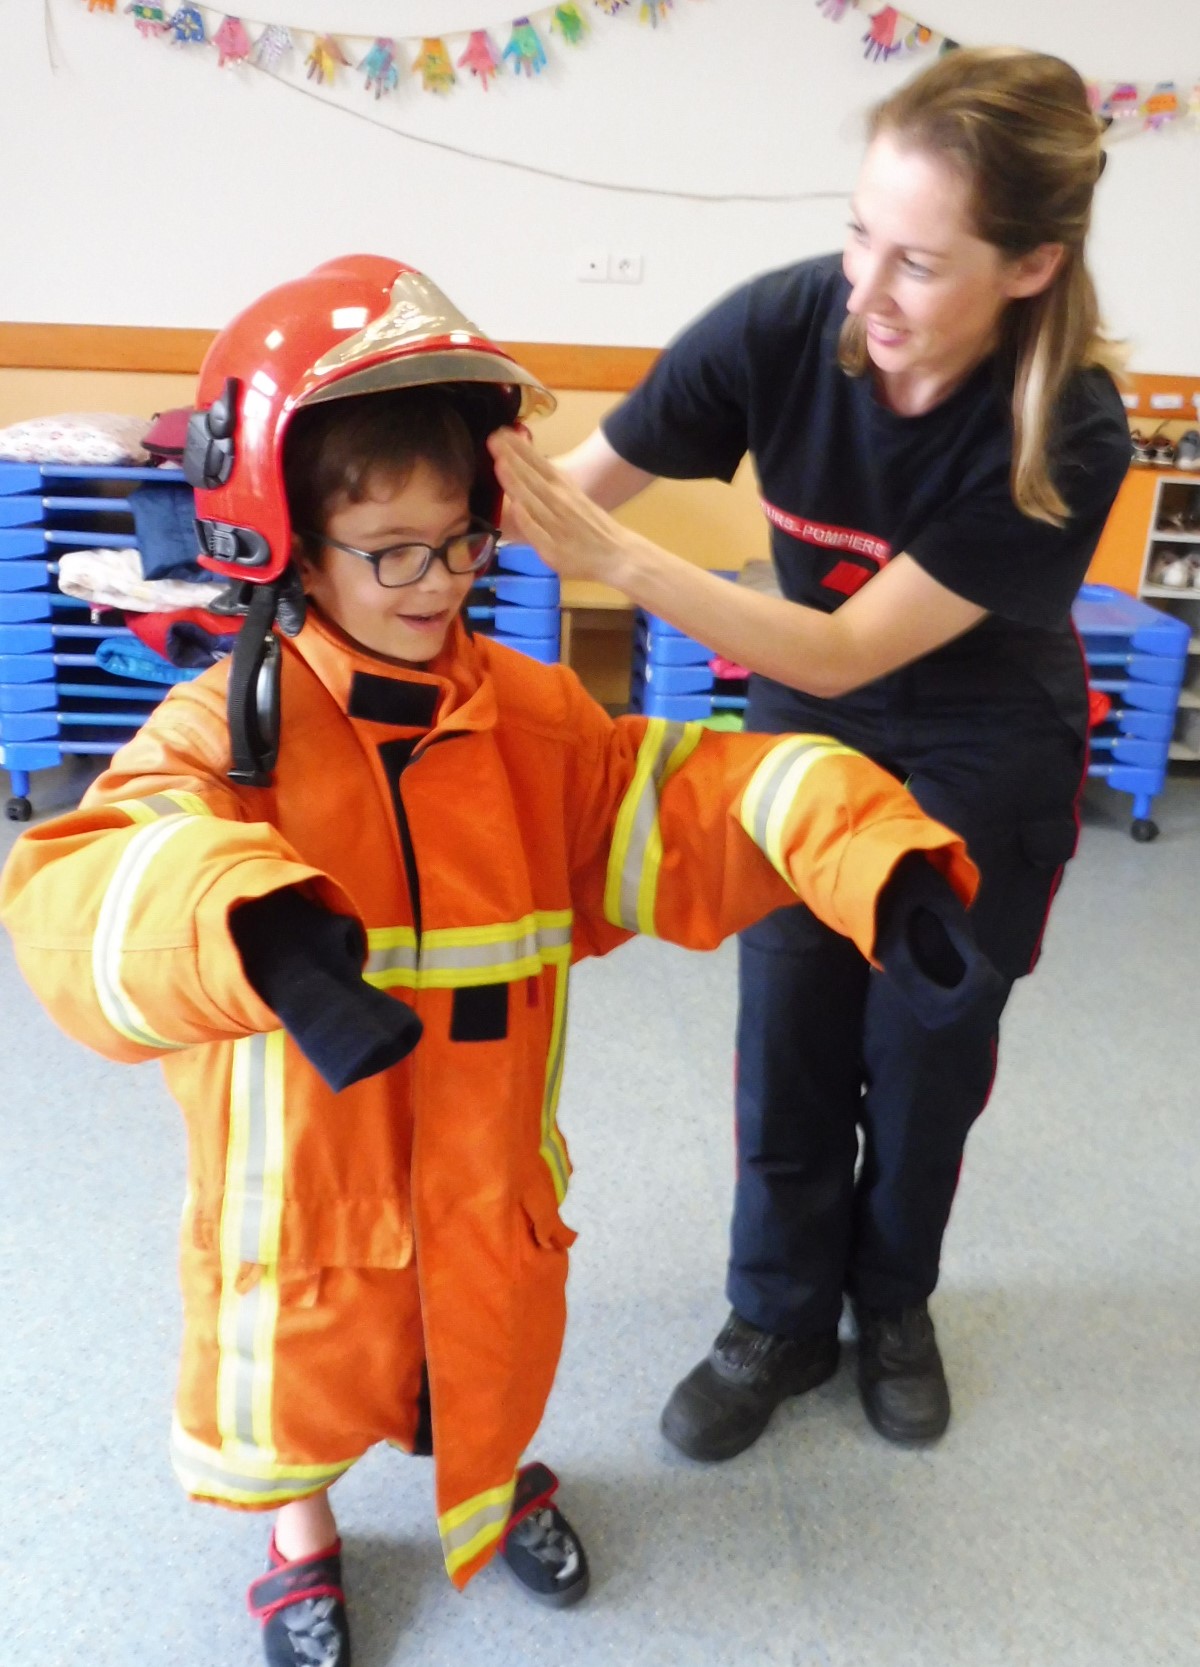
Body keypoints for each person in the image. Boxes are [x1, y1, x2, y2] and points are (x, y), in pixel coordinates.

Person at [0, 256, 996, 1666]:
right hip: (308, 1192)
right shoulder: (232, 733)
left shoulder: (531, 718)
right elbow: (77, 891)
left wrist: (868, 861)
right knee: (304, 1381)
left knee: (495, 1341)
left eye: (459, 541)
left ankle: (493, 1475)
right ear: (281, 540)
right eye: (389, 549)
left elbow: (688, 802)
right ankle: (306, 1546)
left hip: (484, 1161)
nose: (435, 582)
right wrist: (254, 924)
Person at [488, 46, 1131, 1460]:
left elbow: (842, 645)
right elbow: (572, 497)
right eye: (858, 235)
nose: (867, 288)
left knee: (925, 1052)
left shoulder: (1067, 427)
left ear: (1028, 268)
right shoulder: (789, 324)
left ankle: (892, 1304)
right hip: (807, 726)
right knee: (787, 1035)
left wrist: (622, 564)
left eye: (917, 262)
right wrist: (432, 472)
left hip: (980, 748)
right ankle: (775, 1315)